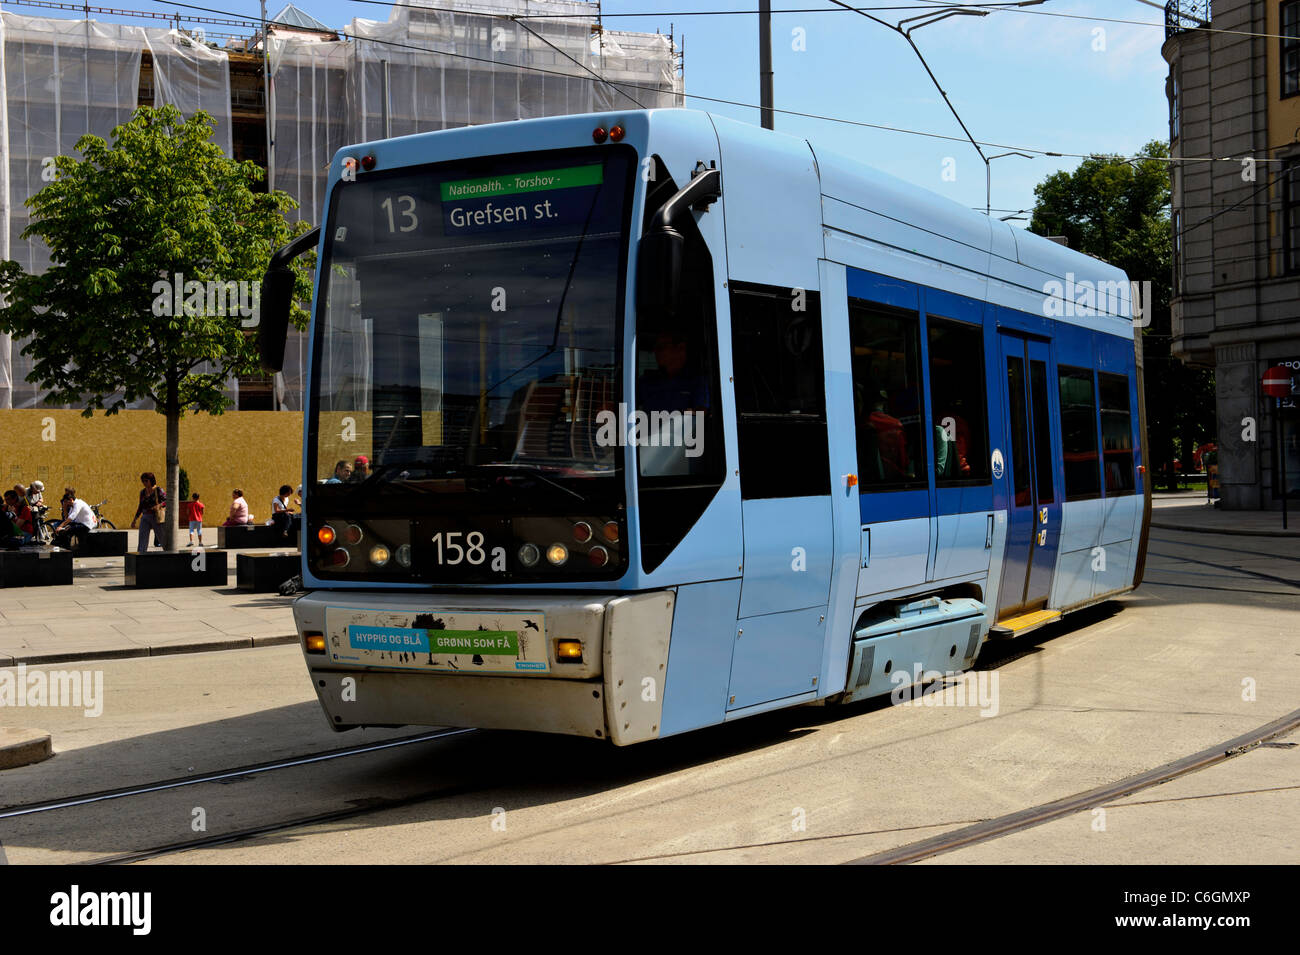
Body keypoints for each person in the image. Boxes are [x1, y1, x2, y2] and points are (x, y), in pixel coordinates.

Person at [129, 472, 165, 555]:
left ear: (151, 480)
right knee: (142, 538)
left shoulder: (158, 490)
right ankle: (141, 556)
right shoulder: (142, 492)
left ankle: (168, 553)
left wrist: (159, 505)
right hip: (145, 517)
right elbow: (140, 506)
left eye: (146, 481)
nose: (144, 483)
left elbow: (166, 500)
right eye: (143, 481)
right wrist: (135, 519)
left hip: (156, 516)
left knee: (162, 538)